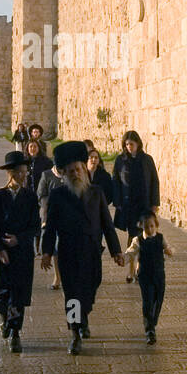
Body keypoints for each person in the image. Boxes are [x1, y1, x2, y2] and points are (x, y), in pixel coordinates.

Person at [41, 141, 124, 355]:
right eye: (70, 171)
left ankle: (83, 316)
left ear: (84, 169)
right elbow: (50, 227)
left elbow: (107, 224)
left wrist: (116, 251)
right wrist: (47, 252)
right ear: (65, 174)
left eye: (78, 169)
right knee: (72, 295)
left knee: (89, 291)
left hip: (92, 252)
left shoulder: (96, 193)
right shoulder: (58, 196)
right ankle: (75, 333)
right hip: (68, 253)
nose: (75, 173)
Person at [0, 151, 40, 354]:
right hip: (2, 253)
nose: (23, 176)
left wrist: (20, 239)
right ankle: (4, 320)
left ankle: (15, 334)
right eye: (19, 172)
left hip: (22, 252)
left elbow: (35, 226)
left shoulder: (30, 197)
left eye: (25, 172)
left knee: (18, 294)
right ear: (11, 173)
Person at [112, 130, 160, 279]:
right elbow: (116, 181)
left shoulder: (147, 160)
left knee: (145, 236)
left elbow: (154, 181)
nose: (129, 147)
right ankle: (131, 269)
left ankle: (140, 267)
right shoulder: (121, 160)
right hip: (129, 205)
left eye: (131, 144)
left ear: (137, 144)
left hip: (144, 205)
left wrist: (154, 204)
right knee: (133, 237)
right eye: (126, 144)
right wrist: (117, 201)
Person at [125, 213, 173, 344]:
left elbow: (168, 248)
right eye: (147, 227)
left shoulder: (160, 238)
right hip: (145, 275)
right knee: (148, 301)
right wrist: (122, 259)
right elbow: (131, 252)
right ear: (142, 227)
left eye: (152, 226)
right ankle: (149, 330)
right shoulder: (138, 240)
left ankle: (153, 320)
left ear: (156, 226)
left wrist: (169, 251)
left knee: (158, 299)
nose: (150, 229)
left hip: (159, 274)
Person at [36, 157, 65, 289]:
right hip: (51, 216)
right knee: (56, 249)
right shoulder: (47, 175)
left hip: (67, 217)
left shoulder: (69, 174)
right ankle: (57, 276)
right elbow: (41, 194)